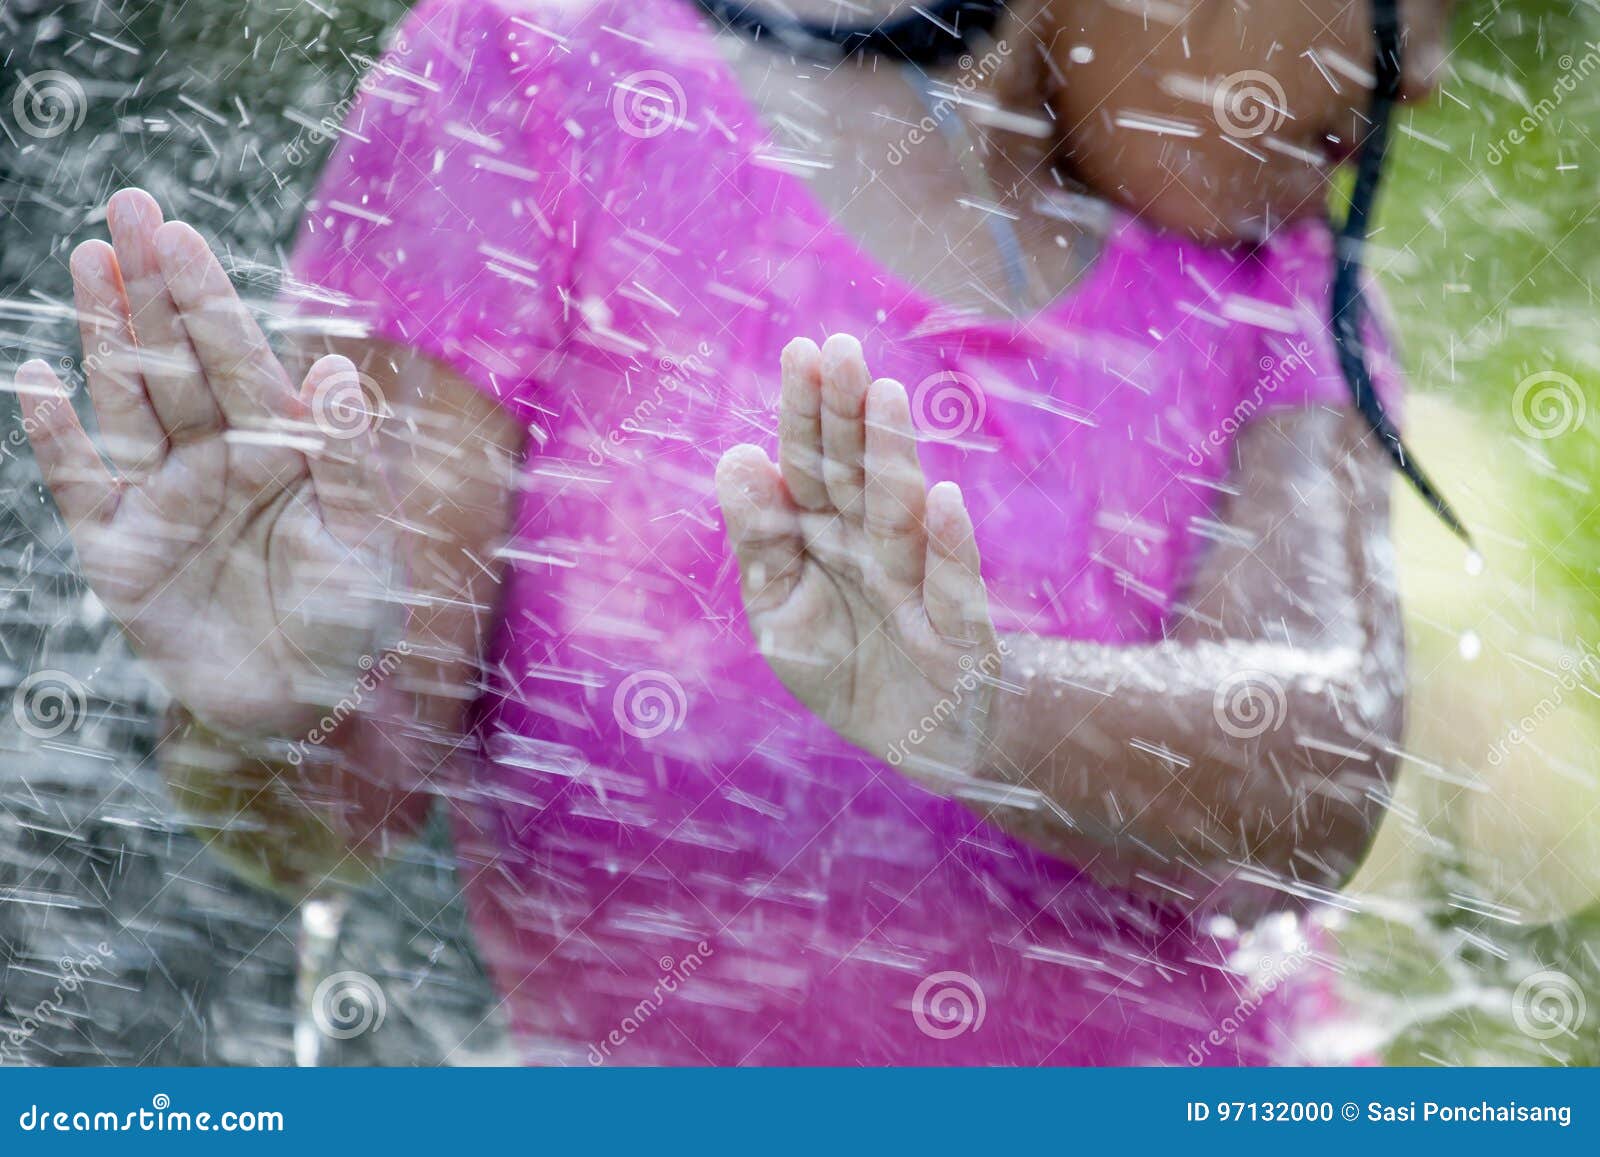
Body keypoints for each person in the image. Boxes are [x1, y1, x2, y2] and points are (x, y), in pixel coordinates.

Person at [16, 0, 1454, 1064]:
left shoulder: (1275, 286)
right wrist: (278, 710)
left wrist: (976, 704)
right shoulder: (541, 82)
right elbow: (338, 815)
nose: (1430, 72)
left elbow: (1315, 771)